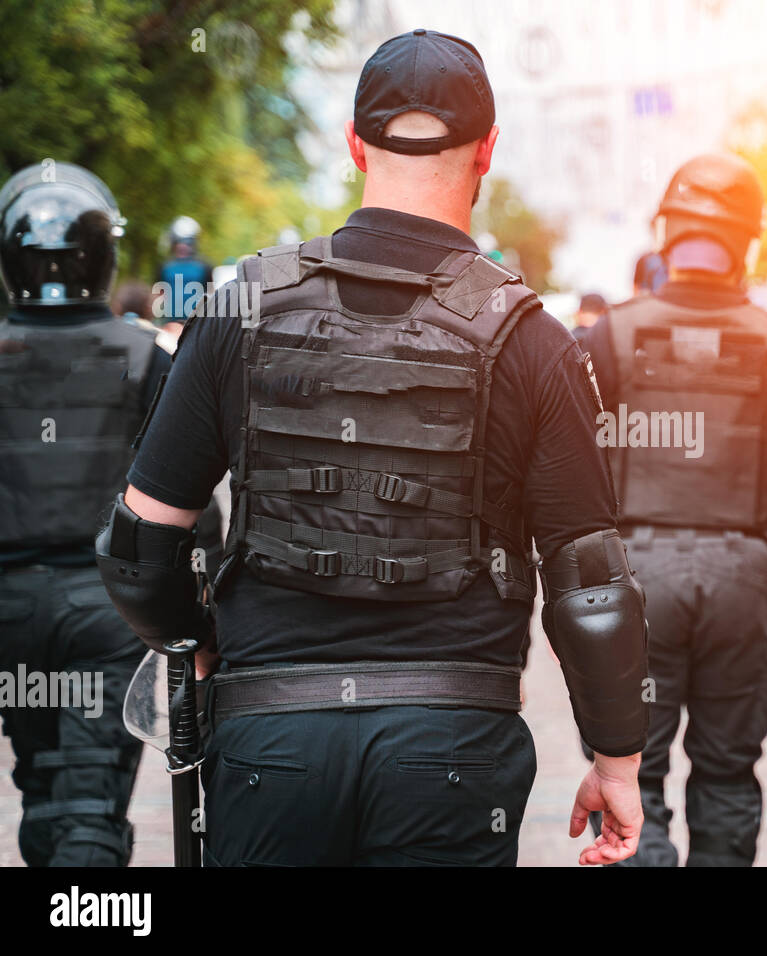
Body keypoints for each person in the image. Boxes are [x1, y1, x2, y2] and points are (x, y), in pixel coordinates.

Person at [95, 28, 648, 867]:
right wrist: (617, 761)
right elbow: (591, 583)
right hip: (453, 750)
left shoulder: (241, 305)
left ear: (356, 144)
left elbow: (139, 546)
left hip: (268, 747)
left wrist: (202, 644)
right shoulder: (533, 338)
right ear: (487, 151)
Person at [584, 153, 767, 866]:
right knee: (728, 772)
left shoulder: (611, 334)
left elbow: (567, 469)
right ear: (747, 242)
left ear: (668, 232)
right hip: (742, 580)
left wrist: (575, 596)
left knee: (635, 771)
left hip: (637, 579)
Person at [0, 161, 170, 865]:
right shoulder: (145, 357)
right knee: (88, 802)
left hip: (11, 609)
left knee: (44, 789)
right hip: (107, 610)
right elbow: (186, 498)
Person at [156, 215, 213, 330]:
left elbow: (211, 295)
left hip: (190, 325)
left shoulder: (204, 266)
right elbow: (158, 294)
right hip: (174, 325)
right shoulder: (165, 266)